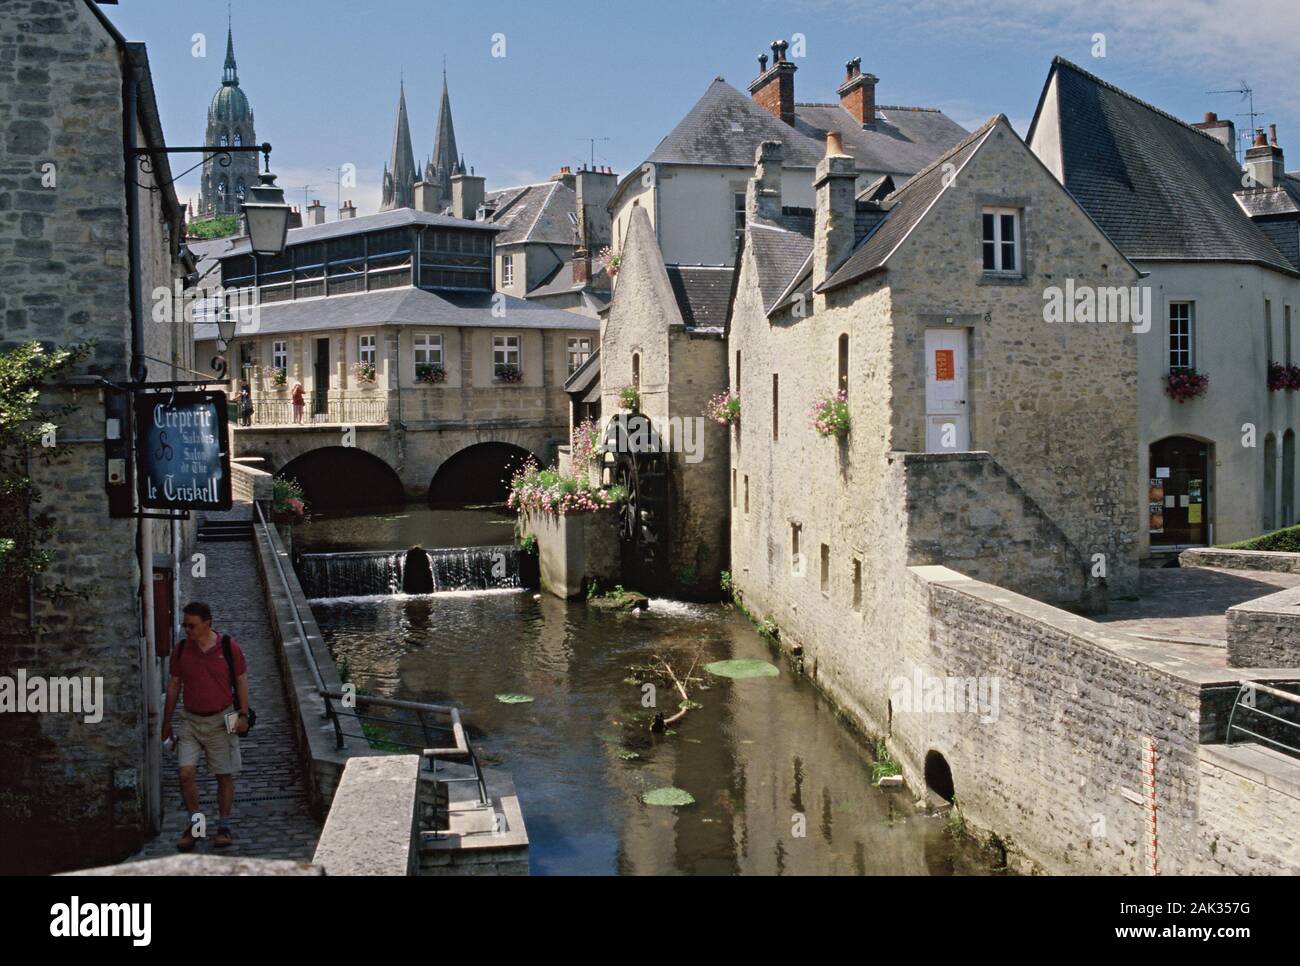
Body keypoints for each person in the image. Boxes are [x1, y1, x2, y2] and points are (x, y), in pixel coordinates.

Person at [161, 601, 250, 851]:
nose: (187, 630)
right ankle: (196, 824)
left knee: (223, 774)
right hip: (190, 720)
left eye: (192, 626)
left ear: (207, 623)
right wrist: (166, 722)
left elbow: (241, 682)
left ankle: (223, 825)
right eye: (184, 625)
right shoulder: (180, 651)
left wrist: (242, 715)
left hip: (221, 720)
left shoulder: (228, 647)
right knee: (185, 773)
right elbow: (174, 686)